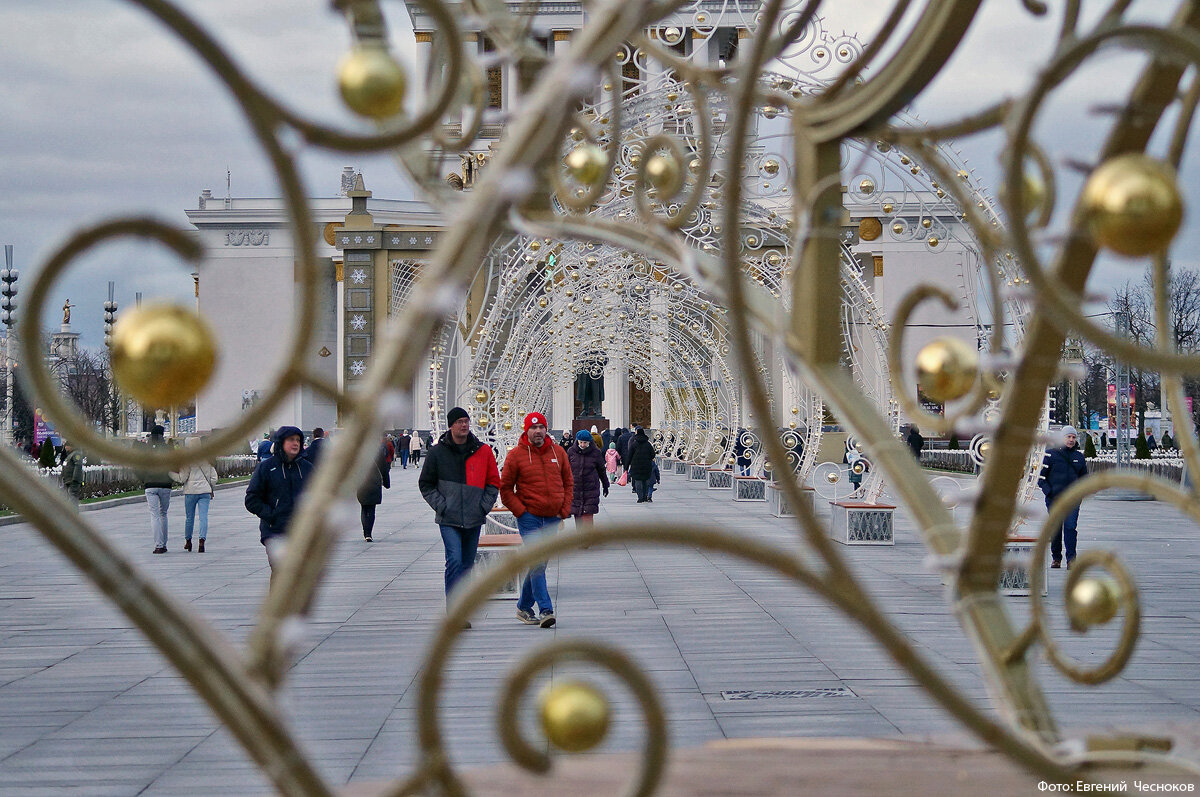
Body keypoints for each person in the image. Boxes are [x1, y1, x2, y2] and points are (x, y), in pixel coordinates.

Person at [419, 407, 500, 626]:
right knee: (454, 560)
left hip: (473, 517)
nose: (464, 425)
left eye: (466, 421)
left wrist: (483, 506)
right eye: (459, 422)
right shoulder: (437, 453)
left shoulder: (482, 451)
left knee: (466, 564)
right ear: (451, 425)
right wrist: (441, 506)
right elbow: (425, 484)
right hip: (449, 519)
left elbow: (493, 482)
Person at [500, 412, 572, 628]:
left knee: (537, 564)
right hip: (529, 519)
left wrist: (564, 510)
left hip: (552, 519)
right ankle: (546, 609)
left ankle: (523, 607)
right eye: (533, 428)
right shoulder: (515, 456)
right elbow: (505, 488)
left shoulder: (558, 452)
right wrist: (520, 511)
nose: (538, 431)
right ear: (526, 430)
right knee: (538, 562)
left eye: (541, 427)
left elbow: (568, 482)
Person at [245, 426, 314, 579]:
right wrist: (272, 514)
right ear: (280, 442)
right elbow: (251, 499)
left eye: (298, 440)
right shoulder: (266, 468)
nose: (295, 443)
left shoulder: (307, 468)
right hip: (275, 531)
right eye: (291, 440)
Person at [1038, 425, 1088, 569]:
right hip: (1055, 499)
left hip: (1072, 500)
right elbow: (1041, 478)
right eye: (1068, 437)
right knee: (1055, 528)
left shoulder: (1079, 457)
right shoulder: (1050, 455)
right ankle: (1056, 557)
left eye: (1073, 437)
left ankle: (1071, 559)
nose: (1071, 440)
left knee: (1071, 527)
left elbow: (1084, 478)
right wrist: (1049, 492)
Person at [172, 437, 218, 553]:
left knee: (189, 518)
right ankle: (202, 541)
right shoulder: (208, 459)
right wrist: (209, 486)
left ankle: (188, 541)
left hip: (190, 492)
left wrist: (170, 474)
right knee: (203, 517)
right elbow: (214, 478)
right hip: (205, 492)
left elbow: (182, 478)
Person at [568, 429, 609, 530]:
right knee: (577, 515)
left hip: (590, 488)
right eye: (580, 442)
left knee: (587, 516)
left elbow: (601, 470)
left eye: (585, 442)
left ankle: (586, 538)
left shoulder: (596, 453)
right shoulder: (571, 452)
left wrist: (605, 485)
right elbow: (565, 470)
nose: (582, 444)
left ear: (589, 442)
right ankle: (580, 538)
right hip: (575, 488)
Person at [143, 426, 174, 554]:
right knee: (164, 514)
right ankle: (164, 543)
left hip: (150, 484)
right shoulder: (168, 449)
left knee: (154, 515)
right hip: (165, 484)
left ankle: (158, 545)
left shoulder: (146, 449)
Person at [358, 440, 391, 542]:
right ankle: (369, 533)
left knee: (364, 508)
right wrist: (387, 483)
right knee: (371, 510)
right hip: (374, 484)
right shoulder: (378, 452)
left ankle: (365, 533)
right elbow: (384, 469)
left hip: (362, 484)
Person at [626, 426, 656, 503]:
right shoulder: (648, 444)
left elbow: (629, 456)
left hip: (636, 466)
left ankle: (640, 497)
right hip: (647, 465)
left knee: (638, 481)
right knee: (646, 481)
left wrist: (626, 467)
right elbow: (653, 454)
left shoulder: (634, 444)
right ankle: (645, 496)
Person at [60, 440, 84, 507]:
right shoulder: (69, 455)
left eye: (66, 446)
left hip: (73, 481)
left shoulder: (76, 454)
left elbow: (78, 466)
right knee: (70, 498)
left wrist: (75, 479)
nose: (65, 448)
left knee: (73, 498)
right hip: (68, 480)